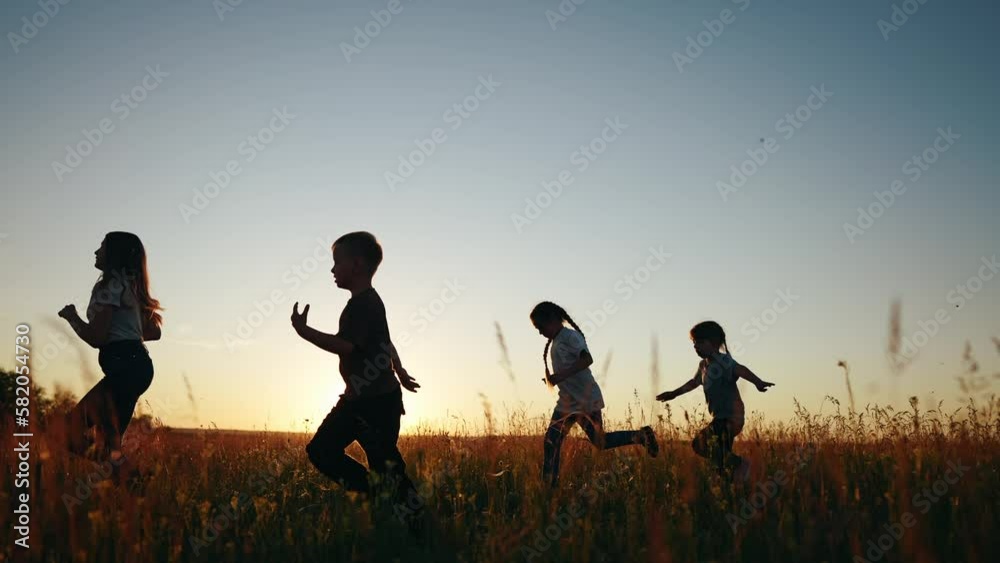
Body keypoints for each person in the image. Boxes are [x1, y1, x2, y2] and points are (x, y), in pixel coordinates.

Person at [291, 231, 422, 526]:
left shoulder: (365, 304)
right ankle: (377, 495)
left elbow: (346, 345)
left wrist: (304, 332)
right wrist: (399, 370)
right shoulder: (362, 304)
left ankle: (419, 526)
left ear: (358, 265)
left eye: (337, 262)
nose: (332, 269)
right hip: (356, 400)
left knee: (388, 470)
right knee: (321, 450)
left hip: (377, 404)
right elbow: (385, 342)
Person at [59, 232, 162, 485]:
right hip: (136, 366)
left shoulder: (108, 287)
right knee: (110, 446)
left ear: (113, 255)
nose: (96, 251)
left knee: (68, 433)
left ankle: (135, 481)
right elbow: (153, 332)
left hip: (125, 368)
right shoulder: (131, 285)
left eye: (102, 247)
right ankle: (136, 491)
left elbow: (97, 337)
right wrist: (127, 333)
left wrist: (72, 317)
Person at [530, 301, 658, 487]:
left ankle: (641, 436)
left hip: (586, 399)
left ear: (554, 319)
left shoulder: (570, 337)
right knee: (552, 441)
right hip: (567, 402)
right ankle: (549, 487)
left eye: (541, 327)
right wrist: (554, 379)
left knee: (600, 442)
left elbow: (587, 359)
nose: (540, 332)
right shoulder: (556, 341)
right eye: (537, 329)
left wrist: (562, 375)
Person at [656, 320, 774, 480]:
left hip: (731, 417)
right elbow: (694, 382)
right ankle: (734, 483)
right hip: (719, 417)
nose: (696, 346)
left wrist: (757, 382)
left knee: (700, 444)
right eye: (694, 343)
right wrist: (674, 393)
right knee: (720, 459)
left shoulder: (724, 361)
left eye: (700, 342)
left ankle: (741, 464)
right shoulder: (703, 365)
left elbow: (740, 369)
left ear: (714, 343)